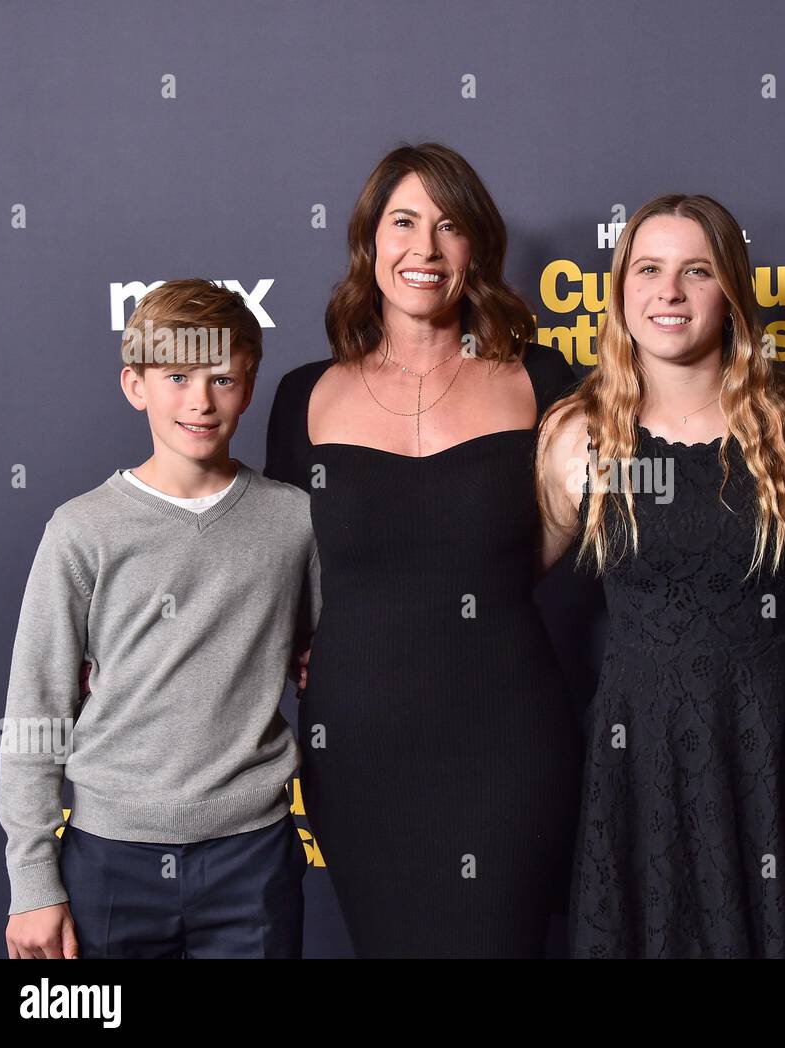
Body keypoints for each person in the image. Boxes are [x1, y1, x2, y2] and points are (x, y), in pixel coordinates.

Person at [263, 143, 582, 958]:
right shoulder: (305, 395)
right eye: (403, 223)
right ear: (370, 243)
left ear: (477, 246)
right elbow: (266, 567)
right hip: (360, 748)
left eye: (450, 227)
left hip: (508, 743)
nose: (426, 250)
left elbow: (636, 518)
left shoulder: (542, 380)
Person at [536, 194, 785, 958]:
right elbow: (497, 589)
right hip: (642, 759)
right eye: (648, 269)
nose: (668, 293)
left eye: (695, 271)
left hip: (779, 748)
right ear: (620, 290)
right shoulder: (581, 438)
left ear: (730, 289)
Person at [0, 279, 318, 958]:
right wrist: (32, 882)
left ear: (250, 386)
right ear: (135, 385)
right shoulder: (82, 531)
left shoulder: (293, 519)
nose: (200, 401)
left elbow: (338, 643)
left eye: (223, 378)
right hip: (110, 859)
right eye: (176, 376)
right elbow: (35, 709)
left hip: (251, 856)